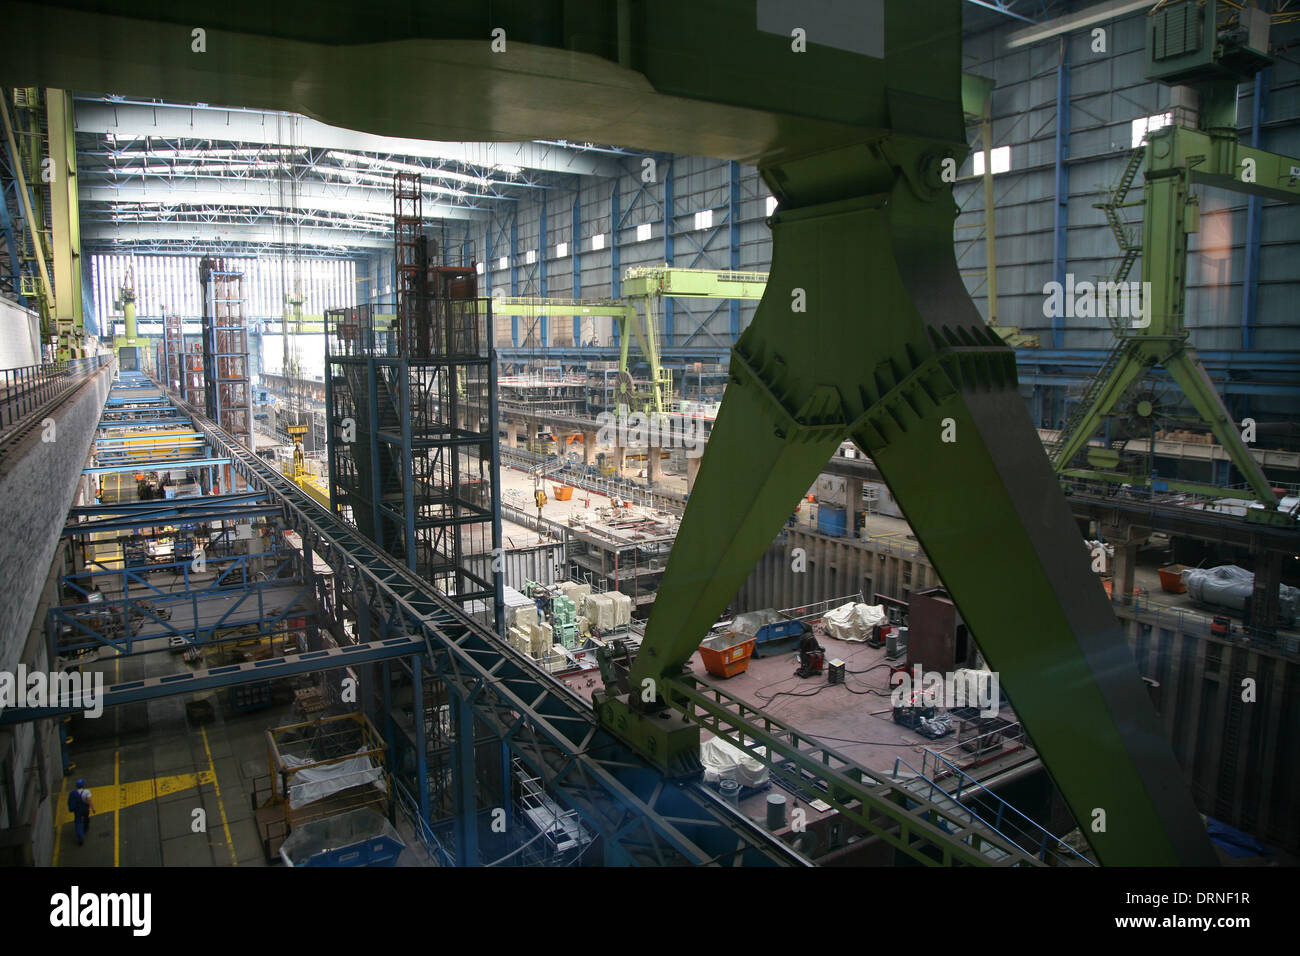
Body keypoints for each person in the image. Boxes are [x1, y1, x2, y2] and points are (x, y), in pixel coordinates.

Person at [68, 778, 94, 846]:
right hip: (85, 809)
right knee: (86, 818)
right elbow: (89, 801)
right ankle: (85, 828)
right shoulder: (86, 792)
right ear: (83, 785)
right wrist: (93, 808)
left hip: (77, 810)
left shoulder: (72, 793)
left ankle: (80, 836)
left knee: (78, 822)